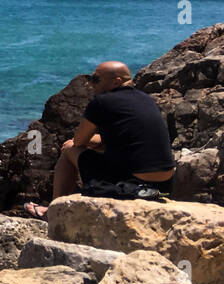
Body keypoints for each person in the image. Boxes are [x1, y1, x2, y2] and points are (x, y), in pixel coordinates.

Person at [24, 61, 175, 218]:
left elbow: (79, 141)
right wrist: (93, 142)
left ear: (116, 81)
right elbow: (120, 138)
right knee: (99, 149)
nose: (90, 84)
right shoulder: (147, 100)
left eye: (95, 79)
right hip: (165, 182)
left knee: (69, 151)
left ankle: (53, 212)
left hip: (134, 181)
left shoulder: (101, 102)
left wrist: (76, 143)